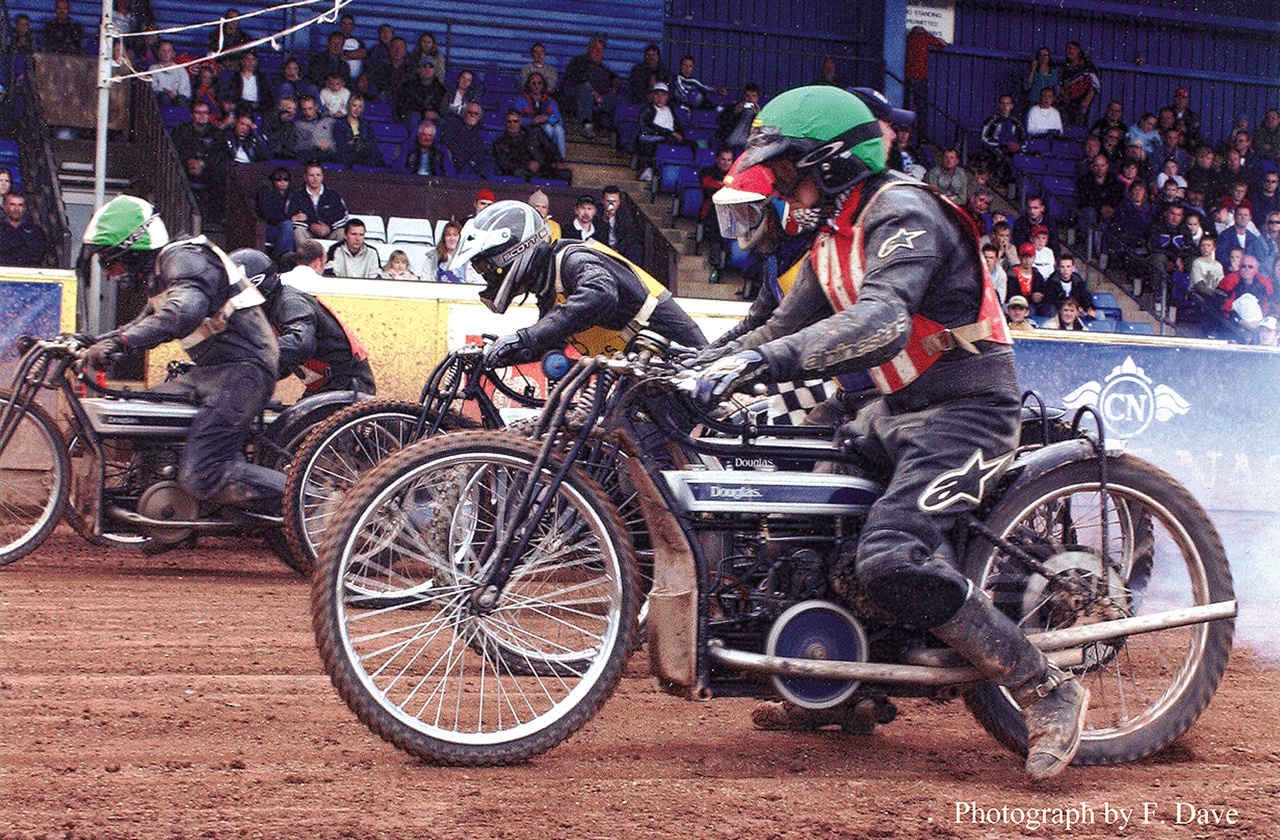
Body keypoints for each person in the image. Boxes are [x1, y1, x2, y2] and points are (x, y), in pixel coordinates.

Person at [683, 87, 1086, 779]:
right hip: (893, 415)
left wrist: (758, 364)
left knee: (890, 558)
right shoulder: (834, 238)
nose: (782, 189)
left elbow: (881, 321)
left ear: (835, 164)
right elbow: (776, 329)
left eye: (788, 173)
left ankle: (1044, 686)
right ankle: (852, 688)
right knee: (797, 518)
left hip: (966, 414)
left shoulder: (903, 211)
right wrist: (689, 365)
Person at [80, 196, 282, 514]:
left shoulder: (184, 259)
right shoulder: (164, 274)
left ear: (134, 249)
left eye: (110, 261)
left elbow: (182, 314)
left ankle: (315, 501)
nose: (108, 273)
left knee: (203, 474)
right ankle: (164, 509)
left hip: (245, 371)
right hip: (213, 371)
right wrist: (89, 342)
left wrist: (119, 342)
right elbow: (141, 325)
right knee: (142, 414)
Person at [449, 200, 707, 366]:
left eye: (488, 267)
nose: (488, 276)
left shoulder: (573, 258)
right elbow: (549, 340)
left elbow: (601, 294)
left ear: (513, 252)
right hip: (644, 369)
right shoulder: (549, 282)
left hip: (679, 362)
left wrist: (522, 337)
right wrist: (496, 355)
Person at [562, 35, 621, 139]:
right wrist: (594, 93)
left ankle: (615, 131)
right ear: (589, 49)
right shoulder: (578, 62)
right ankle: (586, 125)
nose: (598, 52)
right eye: (595, 48)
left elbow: (615, 78)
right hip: (579, 96)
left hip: (599, 98)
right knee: (585, 90)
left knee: (617, 98)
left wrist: (614, 86)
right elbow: (577, 80)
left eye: (601, 50)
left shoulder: (603, 68)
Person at [283, 162, 348, 252]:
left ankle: (335, 263)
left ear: (322, 177)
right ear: (305, 177)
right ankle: (304, 261)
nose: (315, 178)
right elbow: (290, 217)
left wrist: (329, 227)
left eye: (318, 175)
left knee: (341, 232)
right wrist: (311, 225)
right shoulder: (296, 195)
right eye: (311, 175)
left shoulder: (333, 195)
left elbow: (343, 217)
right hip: (308, 232)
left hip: (330, 232)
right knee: (298, 232)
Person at [492, 109, 570, 183]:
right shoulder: (500, 143)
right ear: (505, 123)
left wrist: (557, 160)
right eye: (509, 121)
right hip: (522, 171)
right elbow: (505, 164)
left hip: (543, 168)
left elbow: (550, 147)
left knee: (565, 174)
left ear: (520, 121)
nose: (512, 124)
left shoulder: (535, 132)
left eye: (515, 121)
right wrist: (527, 165)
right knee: (519, 174)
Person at [1143, 202, 1195, 299]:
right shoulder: (1156, 226)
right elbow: (1153, 247)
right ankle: (1159, 295)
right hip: (1159, 259)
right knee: (1159, 258)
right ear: (1166, 213)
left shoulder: (1184, 229)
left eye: (1178, 215)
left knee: (1194, 261)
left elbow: (1190, 248)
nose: (1175, 218)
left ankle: (1189, 295)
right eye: (1173, 214)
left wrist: (1178, 258)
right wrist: (1174, 258)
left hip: (1179, 260)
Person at [636, 82, 685, 183]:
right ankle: (649, 170)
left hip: (669, 137)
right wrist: (669, 133)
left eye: (663, 95)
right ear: (652, 96)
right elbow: (647, 126)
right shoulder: (648, 109)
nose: (660, 98)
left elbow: (678, 126)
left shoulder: (670, 110)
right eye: (657, 95)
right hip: (652, 138)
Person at [515, 72, 566, 159]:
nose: (536, 86)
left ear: (543, 85)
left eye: (539, 83)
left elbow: (559, 121)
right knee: (547, 129)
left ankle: (560, 159)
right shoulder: (521, 100)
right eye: (533, 83)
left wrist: (547, 118)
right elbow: (515, 120)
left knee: (558, 129)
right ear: (528, 85)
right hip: (529, 130)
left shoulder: (550, 101)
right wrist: (532, 120)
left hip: (546, 126)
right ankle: (545, 159)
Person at [980, 94, 1025, 190]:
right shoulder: (992, 120)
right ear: (999, 105)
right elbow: (984, 138)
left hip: (1012, 150)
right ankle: (996, 183)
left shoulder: (1016, 122)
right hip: (997, 148)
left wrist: (1018, 146)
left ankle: (1014, 187)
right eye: (1003, 104)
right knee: (1001, 157)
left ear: (1012, 106)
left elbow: (1023, 139)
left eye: (1008, 104)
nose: (1005, 107)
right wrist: (1003, 144)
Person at [437, 102, 491, 177]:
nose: (472, 115)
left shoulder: (481, 133)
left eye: (476, 114)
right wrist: (466, 159)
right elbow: (449, 144)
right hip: (455, 163)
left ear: (479, 117)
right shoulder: (452, 126)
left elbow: (479, 153)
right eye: (469, 112)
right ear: (463, 113)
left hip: (470, 167)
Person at [333, 95, 385, 169]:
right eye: (354, 106)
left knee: (372, 155)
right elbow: (341, 146)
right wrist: (359, 143)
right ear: (349, 106)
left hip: (364, 154)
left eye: (360, 107)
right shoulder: (340, 124)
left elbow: (372, 142)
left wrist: (354, 142)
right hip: (348, 156)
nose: (357, 109)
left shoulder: (365, 124)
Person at [594, 185, 643, 265]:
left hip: (619, 248)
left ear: (619, 202)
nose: (611, 204)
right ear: (603, 201)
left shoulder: (625, 214)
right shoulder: (596, 212)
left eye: (614, 202)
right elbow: (594, 234)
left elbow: (629, 235)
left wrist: (618, 249)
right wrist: (605, 220)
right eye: (608, 201)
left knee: (636, 249)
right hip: (602, 247)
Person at [1057, 41, 1099, 126]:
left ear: (1079, 51)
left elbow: (1095, 86)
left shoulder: (1087, 67)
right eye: (1068, 49)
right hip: (1066, 104)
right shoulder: (1065, 68)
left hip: (1081, 104)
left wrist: (1086, 102)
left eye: (1073, 49)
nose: (1070, 51)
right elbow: (1060, 84)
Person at [0, 193, 48, 267]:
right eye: (12, 204)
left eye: (20, 205)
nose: (16, 208)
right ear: (5, 207)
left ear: (25, 208)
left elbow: (37, 254)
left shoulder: (35, 231)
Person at [1041, 254, 1095, 319]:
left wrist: (1089, 308)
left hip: (1075, 310)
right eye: (1062, 267)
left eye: (1068, 266)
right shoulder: (1052, 281)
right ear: (1058, 268)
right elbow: (1051, 300)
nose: (1065, 270)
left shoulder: (1078, 280)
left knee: (1099, 314)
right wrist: (1072, 308)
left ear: (1073, 268)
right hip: (1059, 311)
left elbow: (1085, 296)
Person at [255, 167, 293, 256]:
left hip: (288, 227)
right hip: (268, 228)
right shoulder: (265, 193)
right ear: (273, 181)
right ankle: (284, 258)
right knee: (287, 226)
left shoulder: (292, 194)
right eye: (278, 179)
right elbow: (269, 215)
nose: (282, 182)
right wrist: (289, 218)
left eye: (285, 179)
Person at [292, 94, 337, 163]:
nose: (307, 113)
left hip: (331, 153)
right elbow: (297, 147)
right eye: (304, 109)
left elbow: (338, 139)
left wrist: (329, 146)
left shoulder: (329, 120)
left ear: (316, 106)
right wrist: (314, 143)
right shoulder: (298, 125)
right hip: (311, 154)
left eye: (310, 108)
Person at [226, 50, 272, 115]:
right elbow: (232, 96)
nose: (250, 62)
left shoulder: (262, 79)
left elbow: (267, 98)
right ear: (242, 61)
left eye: (253, 59)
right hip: (240, 109)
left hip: (258, 109)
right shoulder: (235, 78)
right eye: (248, 59)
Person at [149, 40, 192, 108]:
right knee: (164, 98)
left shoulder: (180, 70)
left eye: (169, 50)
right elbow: (154, 87)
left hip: (178, 98)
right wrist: (167, 92)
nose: (166, 53)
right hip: (161, 97)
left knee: (181, 100)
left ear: (173, 53)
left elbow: (185, 90)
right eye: (163, 50)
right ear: (158, 53)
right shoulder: (153, 68)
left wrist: (176, 93)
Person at [1022, 46, 1058, 111]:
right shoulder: (1032, 72)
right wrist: (1033, 69)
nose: (1043, 57)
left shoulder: (1054, 73)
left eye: (1045, 55)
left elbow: (1055, 89)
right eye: (1040, 55)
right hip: (1034, 102)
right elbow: (1026, 86)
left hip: (1048, 104)